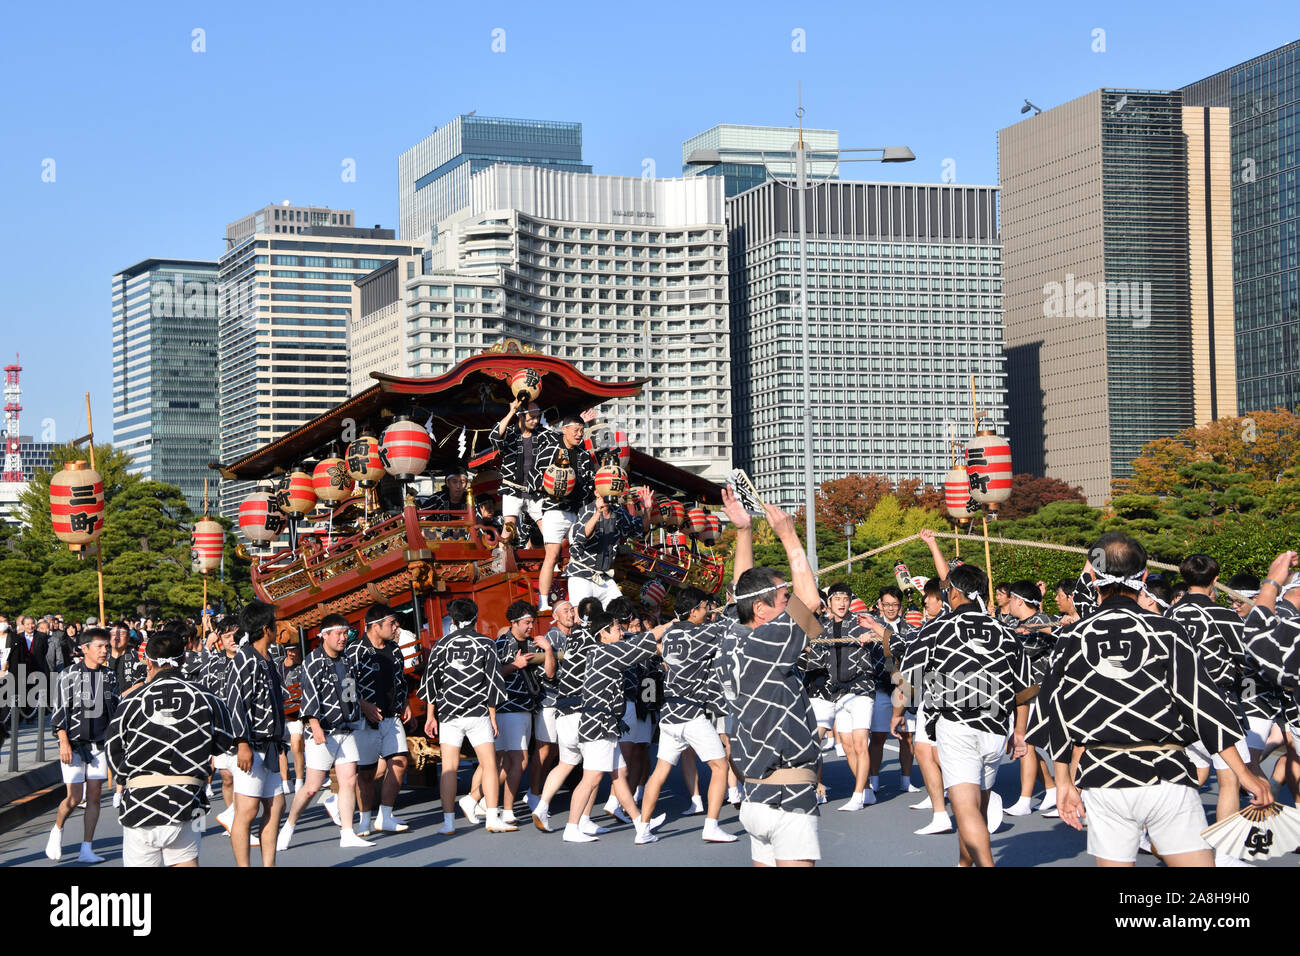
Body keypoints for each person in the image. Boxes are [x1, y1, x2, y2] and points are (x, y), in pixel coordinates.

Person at [1037, 534, 1272, 867]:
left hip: (1104, 776)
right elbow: (1202, 705)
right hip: (1166, 773)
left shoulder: (1073, 636)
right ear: (1144, 578)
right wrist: (1244, 772)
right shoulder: (1167, 631)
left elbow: (1056, 710)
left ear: (1093, 580)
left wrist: (1063, 782)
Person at [899, 562, 1031, 867]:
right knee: (976, 806)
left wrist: (898, 711)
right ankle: (964, 863)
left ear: (955, 593)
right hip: (997, 727)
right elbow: (1024, 689)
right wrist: (1020, 732)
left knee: (965, 808)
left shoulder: (937, 629)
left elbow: (908, 680)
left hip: (957, 725)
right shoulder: (1006, 632)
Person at [725, 493, 824, 867]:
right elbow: (811, 601)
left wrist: (744, 531)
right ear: (763, 610)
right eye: (783, 598)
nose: (789, 601)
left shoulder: (732, 635)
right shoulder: (769, 639)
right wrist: (788, 535)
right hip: (786, 791)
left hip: (753, 792)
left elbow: (743, 593)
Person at [106, 629, 234, 867]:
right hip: (188, 798)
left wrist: (129, 774)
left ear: (148, 661)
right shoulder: (206, 696)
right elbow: (224, 741)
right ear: (184, 659)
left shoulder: (131, 701)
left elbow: (113, 750)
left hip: (140, 801)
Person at [635, 585, 737, 844]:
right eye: (705, 607)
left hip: (669, 715)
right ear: (693, 611)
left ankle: (643, 829)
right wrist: (735, 601)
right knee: (720, 766)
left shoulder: (669, 635)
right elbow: (730, 624)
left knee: (659, 772)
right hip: (691, 714)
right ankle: (711, 825)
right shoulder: (702, 634)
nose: (708, 611)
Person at [1166, 553, 1254, 828]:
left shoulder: (1170, 615)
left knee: (1193, 774)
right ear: (1215, 580)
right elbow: (1246, 657)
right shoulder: (1223, 614)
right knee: (1229, 779)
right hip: (1218, 703)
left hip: (1176, 705)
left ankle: (1158, 830)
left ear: (1184, 579)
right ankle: (1227, 854)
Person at [567, 609, 664, 844]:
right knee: (590, 779)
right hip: (599, 724)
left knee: (619, 775)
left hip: (603, 723)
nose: (621, 631)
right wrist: (673, 623)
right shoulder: (607, 652)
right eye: (617, 628)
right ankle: (571, 827)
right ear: (604, 634)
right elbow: (648, 640)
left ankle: (641, 824)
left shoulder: (602, 651)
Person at [277, 615, 372, 850]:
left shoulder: (348, 659)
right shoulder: (313, 661)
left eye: (345, 633)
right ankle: (288, 825)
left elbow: (351, 691)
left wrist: (361, 710)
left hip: (347, 728)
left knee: (349, 780)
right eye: (338, 634)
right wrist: (315, 725)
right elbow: (309, 695)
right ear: (325, 635)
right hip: (322, 730)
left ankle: (347, 832)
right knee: (311, 787)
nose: (343, 638)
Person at [420, 599, 513, 834]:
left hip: (449, 713)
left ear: (453, 620)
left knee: (449, 767)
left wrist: (431, 716)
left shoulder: (440, 645)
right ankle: (492, 817)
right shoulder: (486, 643)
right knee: (489, 765)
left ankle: (448, 822)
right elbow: (492, 681)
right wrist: (493, 716)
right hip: (478, 711)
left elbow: (432, 682)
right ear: (475, 617)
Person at [531, 597, 605, 835]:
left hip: (563, 708)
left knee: (566, 762)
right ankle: (580, 821)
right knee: (594, 768)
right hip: (582, 709)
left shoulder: (572, 637)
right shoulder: (595, 638)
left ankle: (542, 806)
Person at [46, 628, 119, 863]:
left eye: (106, 646)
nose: (104, 650)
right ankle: (57, 830)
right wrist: (63, 742)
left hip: (99, 744)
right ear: (85, 648)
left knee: (95, 795)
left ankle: (86, 847)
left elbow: (116, 709)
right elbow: (59, 711)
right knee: (74, 798)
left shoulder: (109, 675)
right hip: (75, 744)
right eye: (99, 646)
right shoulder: (69, 675)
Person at [225, 600, 287, 867]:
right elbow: (235, 701)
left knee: (276, 807)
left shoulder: (268, 659)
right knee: (247, 811)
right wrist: (241, 743)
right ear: (266, 628)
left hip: (272, 744)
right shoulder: (245, 658)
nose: (278, 627)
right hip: (250, 745)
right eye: (275, 624)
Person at [349, 603, 413, 836]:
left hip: (391, 717)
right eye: (391, 623)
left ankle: (386, 815)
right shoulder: (355, 650)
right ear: (375, 626)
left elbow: (400, 680)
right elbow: (346, 685)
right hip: (364, 721)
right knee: (366, 773)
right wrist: (362, 704)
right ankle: (365, 820)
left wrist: (405, 703)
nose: (396, 627)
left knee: (400, 761)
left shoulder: (395, 650)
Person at [492, 601, 554, 823]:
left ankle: (476, 799)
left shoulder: (534, 644)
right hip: (506, 707)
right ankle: (505, 809)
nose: (531, 627)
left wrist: (547, 650)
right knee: (519, 760)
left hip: (527, 707)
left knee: (508, 762)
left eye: (532, 622)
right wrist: (515, 665)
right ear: (514, 622)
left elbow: (549, 675)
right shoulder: (499, 645)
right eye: (527, 623)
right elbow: (492, 674)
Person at [1003, 580, 1058, 817]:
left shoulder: (1042, 622)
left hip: (1038, 694)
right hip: (1022, 695)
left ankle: (1025, 800)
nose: (1008, 603)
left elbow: (1022, 653)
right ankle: (1051, 788)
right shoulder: (1018, 624)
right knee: (1026, 745)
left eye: (1011, 599)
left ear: (1019, 601)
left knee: (1025, 744)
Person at [529, 414, 595, 611]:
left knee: (580, 556)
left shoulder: (584, 455)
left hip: (577, 511)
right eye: (575, 430)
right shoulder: (550, 449)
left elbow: (590, 482)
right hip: (554, 509)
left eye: (582, 431)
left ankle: (579, 602)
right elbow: (533, 476)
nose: (579, 434)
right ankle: (543, 602)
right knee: (553, 554)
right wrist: (545, 486)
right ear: (564, 429)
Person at [866, 585, 918, 795]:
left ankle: (906, 779)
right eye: (886, 604)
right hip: (880, 686)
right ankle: (874, 779)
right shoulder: (869, 628)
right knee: (878, 736)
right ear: (879, 605)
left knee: (907, 737)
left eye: (894, 605)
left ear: (901, 606)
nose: (890, 608)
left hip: (904, 687)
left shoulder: (911, 629)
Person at [565, 486, 653, 607]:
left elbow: (641, 528)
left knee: (620, 611)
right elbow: (580, 537)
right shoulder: (586, 510)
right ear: (596, 493)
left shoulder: (617, 513)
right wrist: (598, 513)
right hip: (581, 573)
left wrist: (647, 510)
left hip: (604, 576)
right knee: (583, 617)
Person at [529, 599, 576, 812]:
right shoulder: (552, 637)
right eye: (566, 610)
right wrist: (548, 649)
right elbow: (549, 674)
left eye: (572, 609)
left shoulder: (575, 636)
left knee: (556, 749)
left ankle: (541, 791)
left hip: (567, 701)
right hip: (549, 700)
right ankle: (533, 792)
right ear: (555, 617)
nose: (571, 613)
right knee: (544, 748)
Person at [491, 395, 544, 546]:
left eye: (537, 417)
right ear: (521, 416)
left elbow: (561, 440)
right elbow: (494, 437)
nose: (535, 421)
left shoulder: (542, 435)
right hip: (512, 488)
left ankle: (554, 565)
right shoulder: (510, 434)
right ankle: (500, 563)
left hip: (535, 490)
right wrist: (511, 412)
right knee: (508, 529)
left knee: (547, 529)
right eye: (531, 417)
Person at [277, 643, 306, 795]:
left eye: (295, 650)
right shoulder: (276, 664)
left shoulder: (303, 667)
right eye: (290, 650)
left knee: (296, 746)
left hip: (296, 711)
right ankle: (285, 780)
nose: (293, 653)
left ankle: (300, 780)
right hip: (279, 711)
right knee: (280, 749)